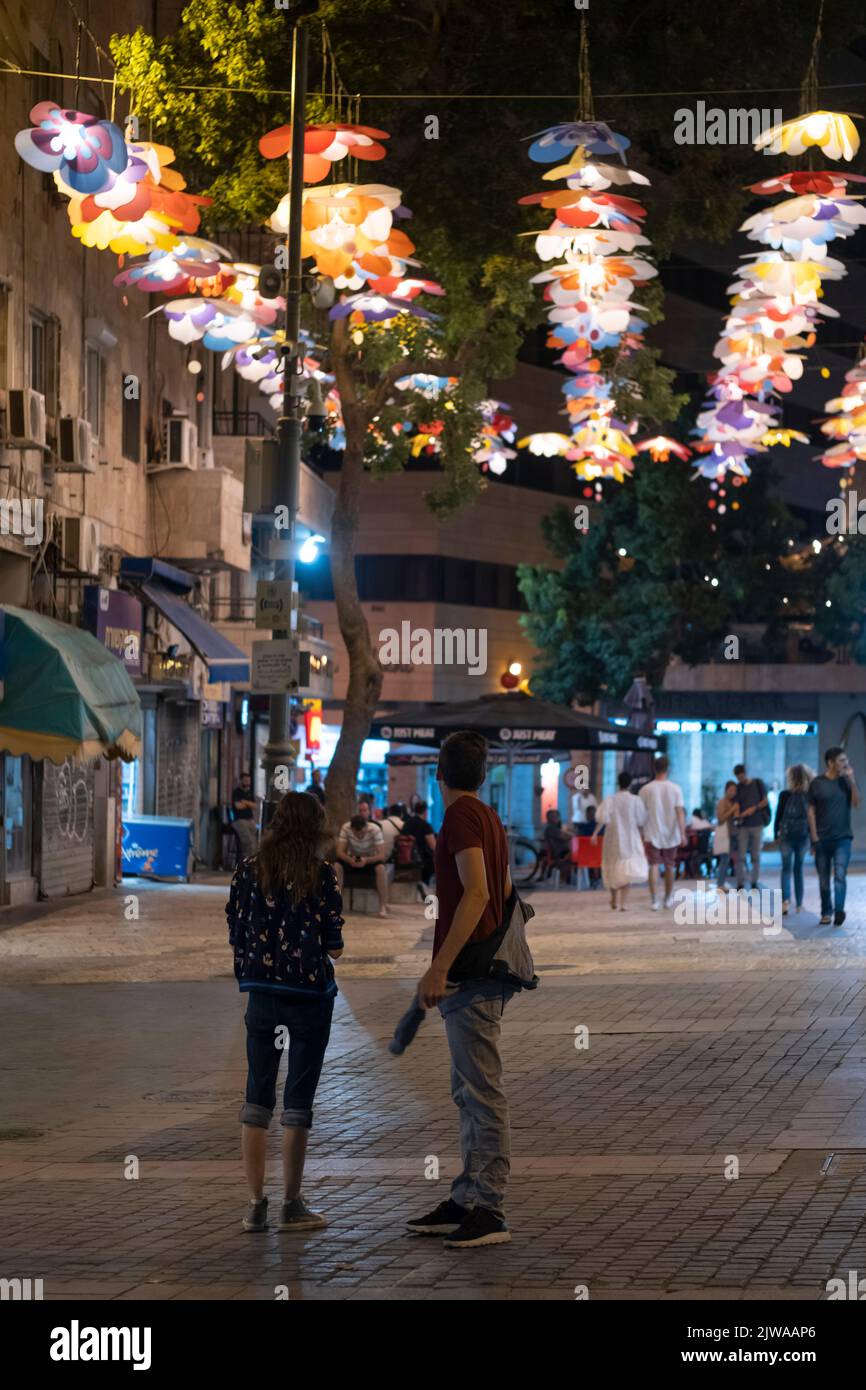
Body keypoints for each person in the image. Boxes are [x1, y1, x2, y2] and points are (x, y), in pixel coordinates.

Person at [407, 730, 536, 1250]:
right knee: (468, 1090)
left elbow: (480, 891)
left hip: (472, 973)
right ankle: (466, 1197)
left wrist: (440, 966)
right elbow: (502, 891)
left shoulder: (460, 816)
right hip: (483, 969)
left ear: (439, 775)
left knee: (481, 1091)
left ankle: (490, 1208)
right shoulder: (489, 816)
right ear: (483, 775)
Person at [225, 791, 344, 1234]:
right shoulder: (323, 876)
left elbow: (235, 932)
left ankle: (255, 1204)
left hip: (262, 997)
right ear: (316, 828)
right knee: (299, 1101)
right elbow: (334, 944)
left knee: (256, 1097)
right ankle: (292, 1204)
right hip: (311, 998)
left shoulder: (247, 871)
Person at [808, 746, 860, 926]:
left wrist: (852, 780)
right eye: (842, 760)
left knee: (840, 874)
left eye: (846, 760)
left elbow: (856, 803)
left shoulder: (846, 782)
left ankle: (839, 910)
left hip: (843, 838)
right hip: (822, 839)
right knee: (823, 880)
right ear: (831, 763)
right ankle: (826, 911)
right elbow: (811, 810)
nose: (846, 763)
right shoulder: (817, 783)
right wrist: (814, 837)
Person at [593, 771, 648, 911]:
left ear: (618, 783)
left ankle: (613, 898)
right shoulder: (635, 800)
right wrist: (642, 835)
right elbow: (641, 820)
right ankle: (623, 903)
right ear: (630, 783)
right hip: (630, 837)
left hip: (613, 837)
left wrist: (594, 834)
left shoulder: (610, 799)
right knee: (626, 868)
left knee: (612, 865)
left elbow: (602, 818)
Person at [639, 755, 686, 910]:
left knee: (653, 865)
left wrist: (640, 832)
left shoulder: (645, 789)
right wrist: (683, 833)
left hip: (651, 832)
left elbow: (640, 814)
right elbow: (680, 812)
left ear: (654, 768)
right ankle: (667, 898)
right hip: (671, 834)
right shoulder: (675, 789)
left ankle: (654, 900)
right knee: (669, 866)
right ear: (668, 769)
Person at [775, 764, 813, 916]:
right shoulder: (808, 795)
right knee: (798, 869)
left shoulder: (784, 794)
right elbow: (812, 817)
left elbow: (779, 815)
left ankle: (785, 902)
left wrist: (775, 834)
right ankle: (799, 904)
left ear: (791, 777)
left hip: (786, 836)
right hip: (803, 836)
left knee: (785, 869)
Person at [335, 811, 389, 917]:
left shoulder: (374, 829)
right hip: (352, 858)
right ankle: (336, 904)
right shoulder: (346, 828)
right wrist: (350, 860)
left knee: (381, 868)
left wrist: (366, 860)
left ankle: (383, 906)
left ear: (366, 827)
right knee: (337, 866)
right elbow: (340, 852)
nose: (359, 835)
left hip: (369, 858)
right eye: (356, 833)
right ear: (352, 829)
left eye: (362, 832)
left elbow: (381, 855)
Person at [732, 763, 769, 891]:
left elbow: (765, 801)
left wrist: (754, 808)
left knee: (756, 855)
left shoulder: (758, 783)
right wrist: (739, 815)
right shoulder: (738, 787)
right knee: (741, 855)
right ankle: (740, 883)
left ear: (745, 772)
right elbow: (736, 805)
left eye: (741, 776)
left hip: (757, 824)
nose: (740, 779)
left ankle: (754, 881)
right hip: (743, 825)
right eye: (738, 777)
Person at [400, 798, 437, 885]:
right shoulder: (425, 825)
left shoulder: (407, 823)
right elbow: (433, 846)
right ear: (425, 811)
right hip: (422, 861)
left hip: (407, 858)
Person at [713, 781, 739, 893]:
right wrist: (733, 810)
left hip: (732, 834)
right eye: (731, 790)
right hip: (725, 835)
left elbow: (737, 818)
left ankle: (721, 883)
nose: (733, 792)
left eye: (735, 790)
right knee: (724, 860)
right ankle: (720, 884)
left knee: (727, 860)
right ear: (726, 790)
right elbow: (720, 818)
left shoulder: (733, 802)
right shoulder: (722, 802)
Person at [231, 771, 258, 861]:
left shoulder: (250, 792)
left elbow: (254, 806)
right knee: (247, 842)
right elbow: (238, 806)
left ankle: (253, 861)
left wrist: (245, 802)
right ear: (241, 781)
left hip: (250, 820)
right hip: (239, 820)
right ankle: (247, 862)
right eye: (245, 780)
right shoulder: (237, 792)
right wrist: (248, 804)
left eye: (248, 781)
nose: (247, 782)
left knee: (255, 842)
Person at [542, 809, 572, 879]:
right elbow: (566, 837)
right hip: (559, 854)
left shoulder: (554, 828)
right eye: (552, 817)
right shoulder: (551, 828)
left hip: (559, 852)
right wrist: (568, 832)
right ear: (548, 818)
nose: (555, 818)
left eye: (556, 816)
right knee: (578, 857)